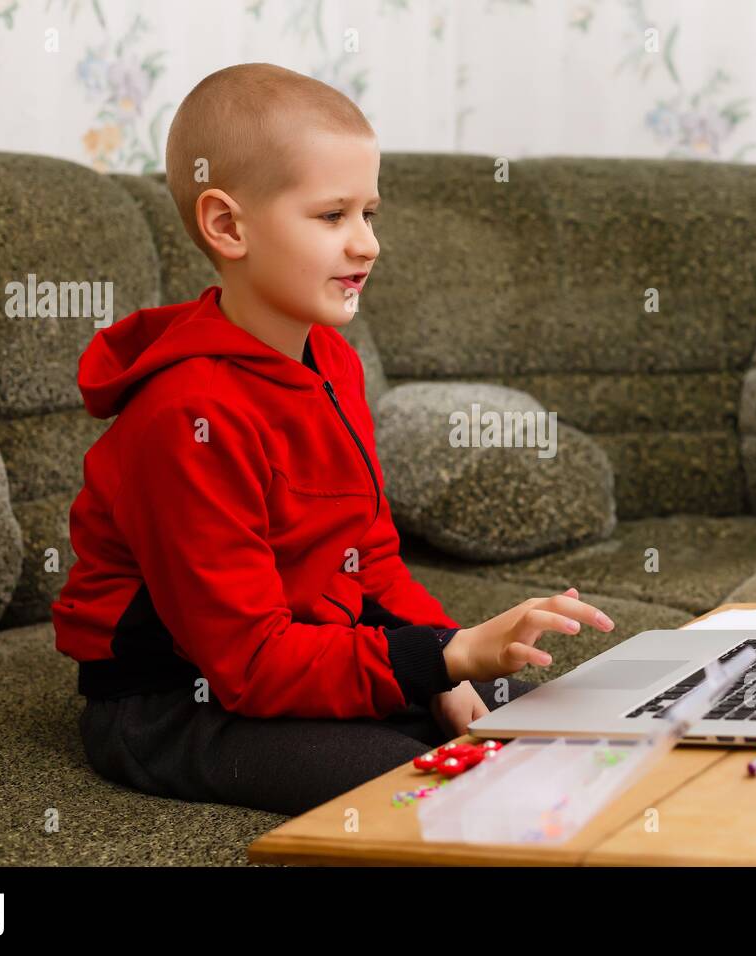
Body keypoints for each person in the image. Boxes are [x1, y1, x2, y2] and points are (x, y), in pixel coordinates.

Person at [51, 63, 617, 817]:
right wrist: (443, 658)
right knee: (434, 788)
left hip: (307, 649)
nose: (368, 244)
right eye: (332, 217)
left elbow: (373, 562)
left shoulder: (334, 363)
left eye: (370, 213)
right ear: (228, 226)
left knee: (559, 723)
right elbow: (248, 664)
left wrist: (449, 667)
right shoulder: (187, 417)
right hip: (174, 701)